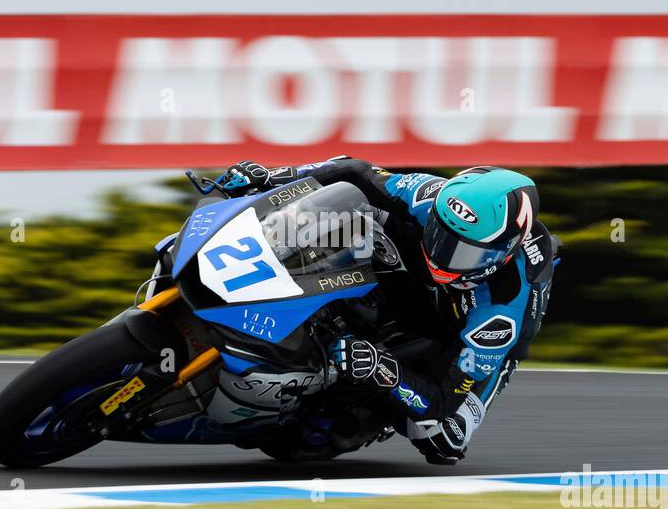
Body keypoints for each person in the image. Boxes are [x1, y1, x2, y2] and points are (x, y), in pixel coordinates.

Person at [214, 157, 560, 465]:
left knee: (442, 436)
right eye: (440, 234)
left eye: (461, 253)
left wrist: (383, 369)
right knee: (352, 210)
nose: (441, 256)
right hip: (412, 264)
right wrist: (276, 176)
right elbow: (355, 170)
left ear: (499, 255)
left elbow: (443, 400)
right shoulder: (431, 198)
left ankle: (357, 391)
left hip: (457, 325)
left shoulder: (502, 310)